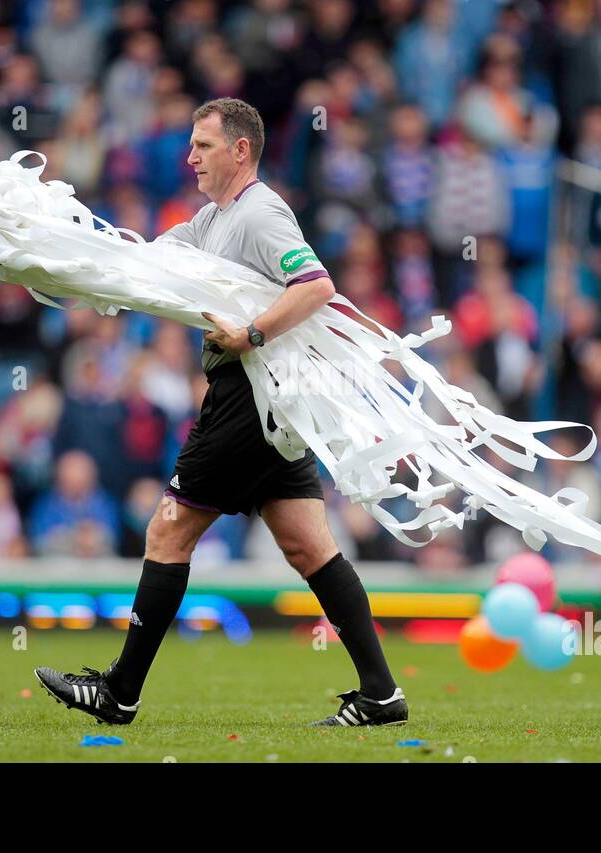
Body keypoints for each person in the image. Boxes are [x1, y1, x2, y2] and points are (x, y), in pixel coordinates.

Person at [34, 98, 407, 727]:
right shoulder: (213, 219)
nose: (190, 157)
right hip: (271, 404)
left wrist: (253, 335)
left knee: (168, 529)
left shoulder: (260, 214)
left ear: (240, 150)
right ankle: (381, 695)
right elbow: (144, 261)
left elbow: (317, 287)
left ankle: (120, 692)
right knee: (307, 542)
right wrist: (54, 247)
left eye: (203, 145)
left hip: (249, 396)